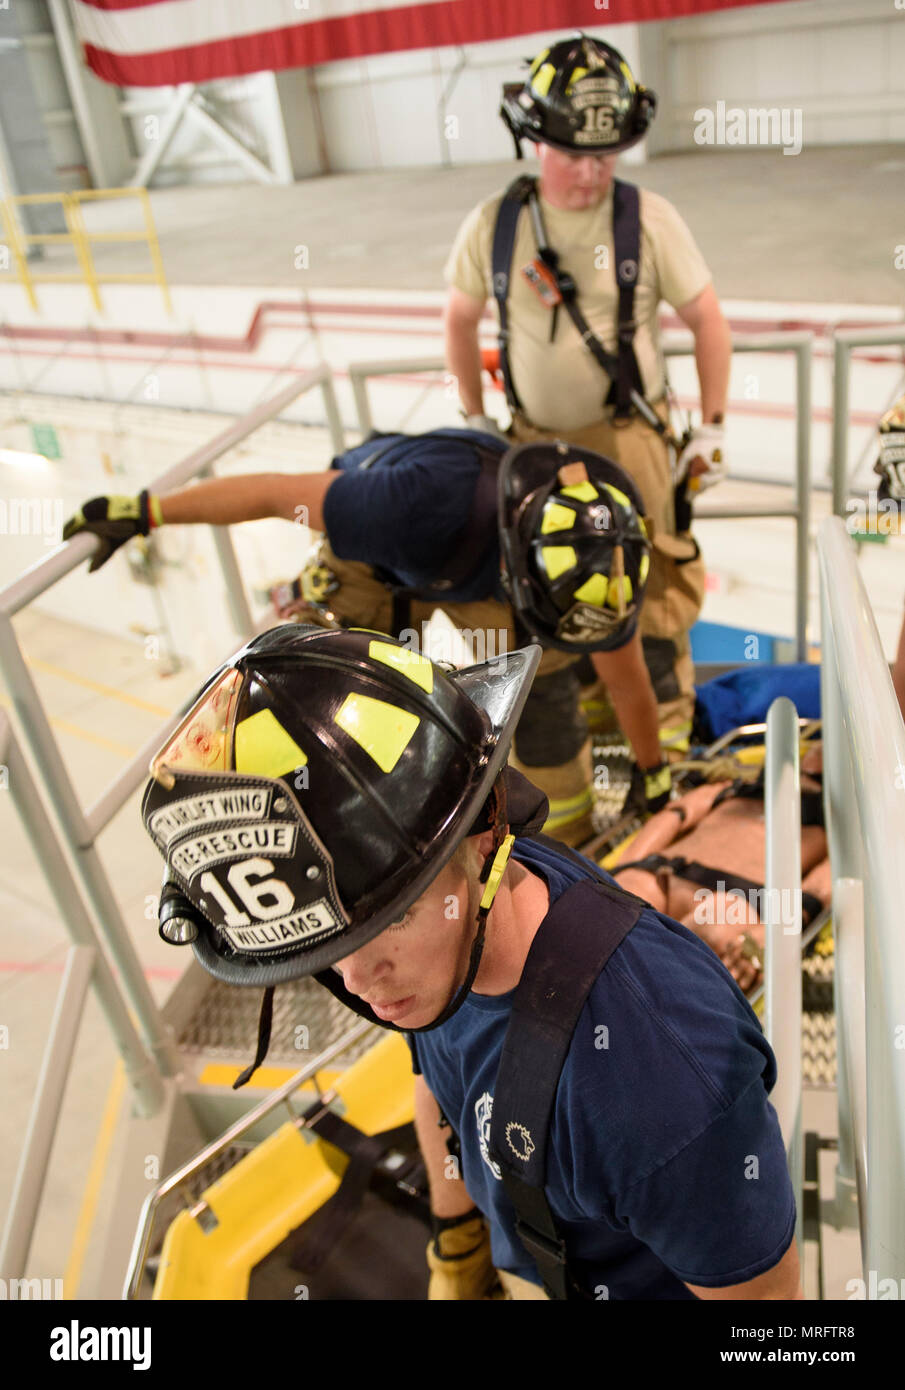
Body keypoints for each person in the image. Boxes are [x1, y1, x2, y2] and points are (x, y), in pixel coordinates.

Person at [139, 624, 803, 1301]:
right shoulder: (437, 947)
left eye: (392, 920)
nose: (359, 983)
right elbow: (438, 1082)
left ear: (488, 832)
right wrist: (456, 1240)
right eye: (325, 952)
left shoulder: (662, 1087)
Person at [63, 429, 670, 845]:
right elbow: (274, 493)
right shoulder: (406, 506)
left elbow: (627, 679)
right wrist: (147, 511)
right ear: (519, 576)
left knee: (540, 679)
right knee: (325, 685)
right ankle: (332, 810)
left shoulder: (601, 560)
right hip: (384, 561)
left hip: (475, 565)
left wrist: (654, 773)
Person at [444, 32, 733, 759]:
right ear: (534, 140)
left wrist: (713, 427)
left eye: (605, 156)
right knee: (554, 584)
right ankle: (603, 729)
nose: (589, 172)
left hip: (628, 438)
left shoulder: (649, 219)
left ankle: (665, 751)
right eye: (572, 154)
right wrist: (475, 418)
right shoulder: (495, 225)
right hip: (530, 445)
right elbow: (458, 318)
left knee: (649, 586)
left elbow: (707, 320)